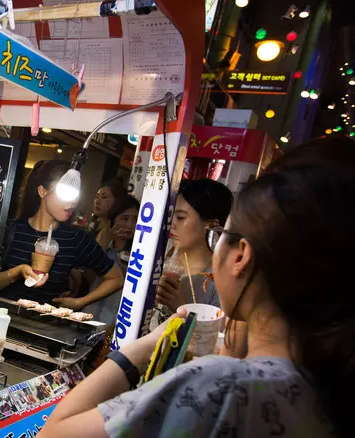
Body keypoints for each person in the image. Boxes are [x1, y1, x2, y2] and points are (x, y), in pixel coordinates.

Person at [37, 137, 353, 438]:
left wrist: (148, 344)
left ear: (241, 255)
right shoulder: (327, 391)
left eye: (219, 237)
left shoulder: (219, 386)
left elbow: (53, 432)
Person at [0, 160, 123, 309]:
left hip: (44, 328)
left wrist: (79, 302)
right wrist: (17, 272)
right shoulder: (10, 230)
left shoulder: (75, 238)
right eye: (65, 193)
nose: (73, 202)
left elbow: (116, 279)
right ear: (42, 191)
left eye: (75, 194)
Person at [156, 178, 232, 312]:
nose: (171, 224)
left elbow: (214, 332)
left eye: (180, 217)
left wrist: (180, 308)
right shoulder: (160, 256)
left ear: (211, 224)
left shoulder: (220, 280)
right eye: (171, 215)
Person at [80, 196, 139, 325]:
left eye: (135, 220)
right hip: (91, 309)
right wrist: (106, 243)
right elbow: (89, 278)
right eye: (124, 218)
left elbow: (129, 285)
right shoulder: (102, 241)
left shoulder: (139, 251)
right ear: (113, 219)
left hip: (118, 317)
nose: (130, 225)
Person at [88, 179, 128, 249]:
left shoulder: (115, 232)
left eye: (104, 197)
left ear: (116, 201)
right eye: (97, 197)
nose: (97, 201)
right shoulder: (95, 224)